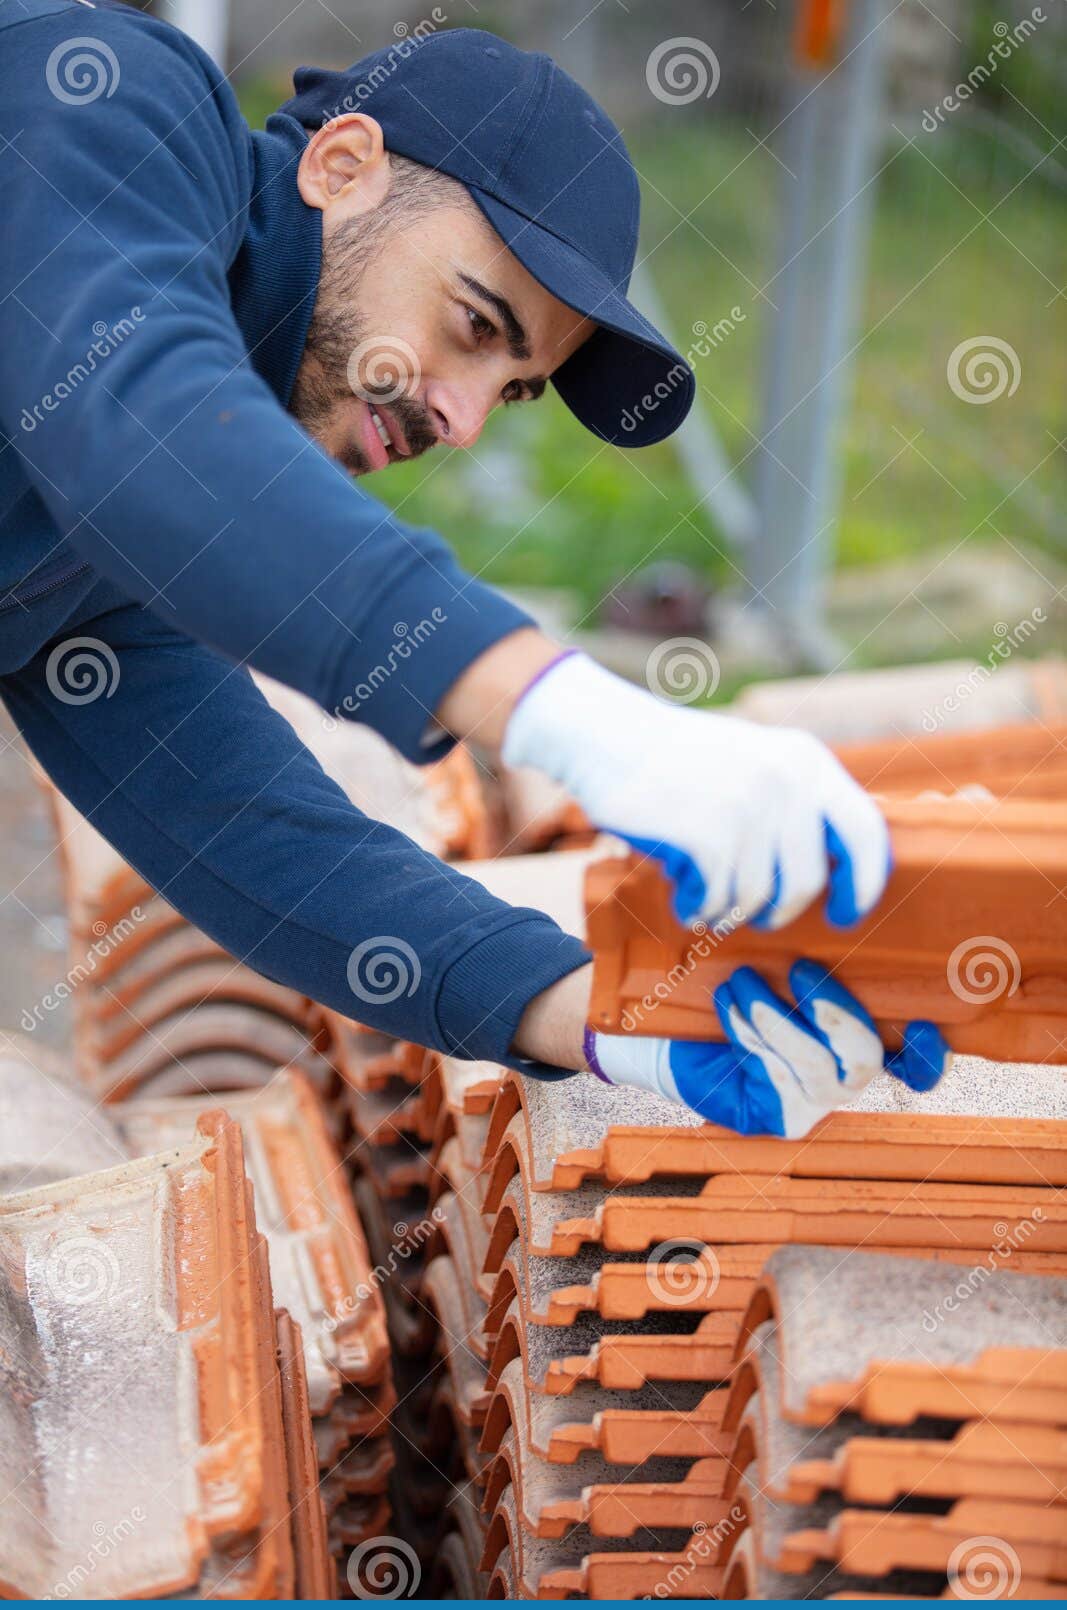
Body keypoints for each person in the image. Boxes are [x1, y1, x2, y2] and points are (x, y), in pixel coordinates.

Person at [0, 7, 947, 1136]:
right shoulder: (107, 103)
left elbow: (251, 831)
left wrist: (609, 1016)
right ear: (342, 164)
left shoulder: (109, 558)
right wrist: (581, 719)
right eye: (470, 323)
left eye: (509, 388)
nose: (457, 419)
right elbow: (142, 429)